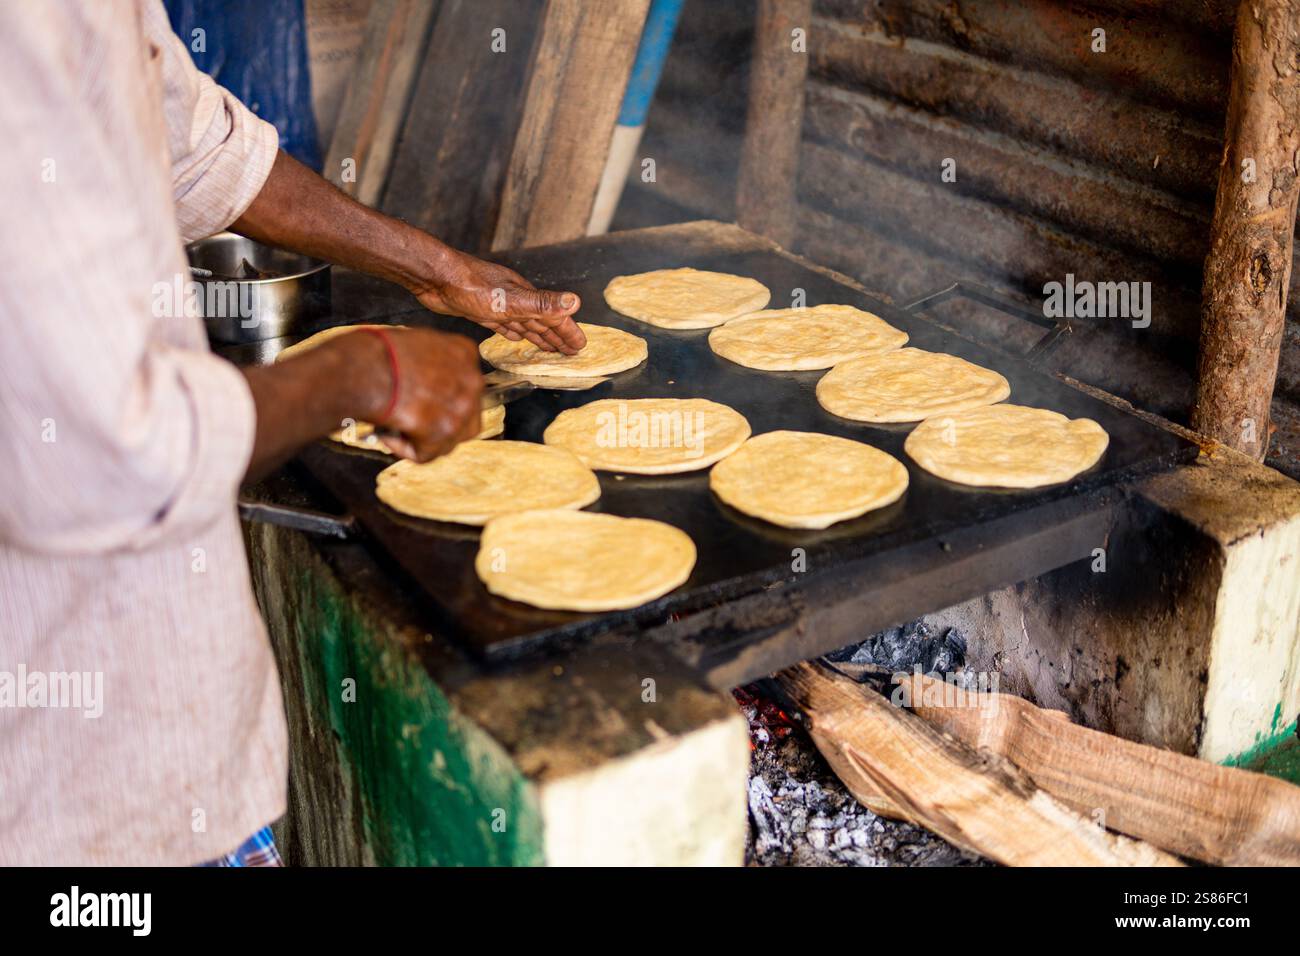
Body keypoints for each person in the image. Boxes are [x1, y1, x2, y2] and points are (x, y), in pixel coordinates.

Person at [0, 0, 583, 865]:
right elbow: (110, 455)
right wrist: (359, 373)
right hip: (79, 804)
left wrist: (444, 273)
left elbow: (190, 142)